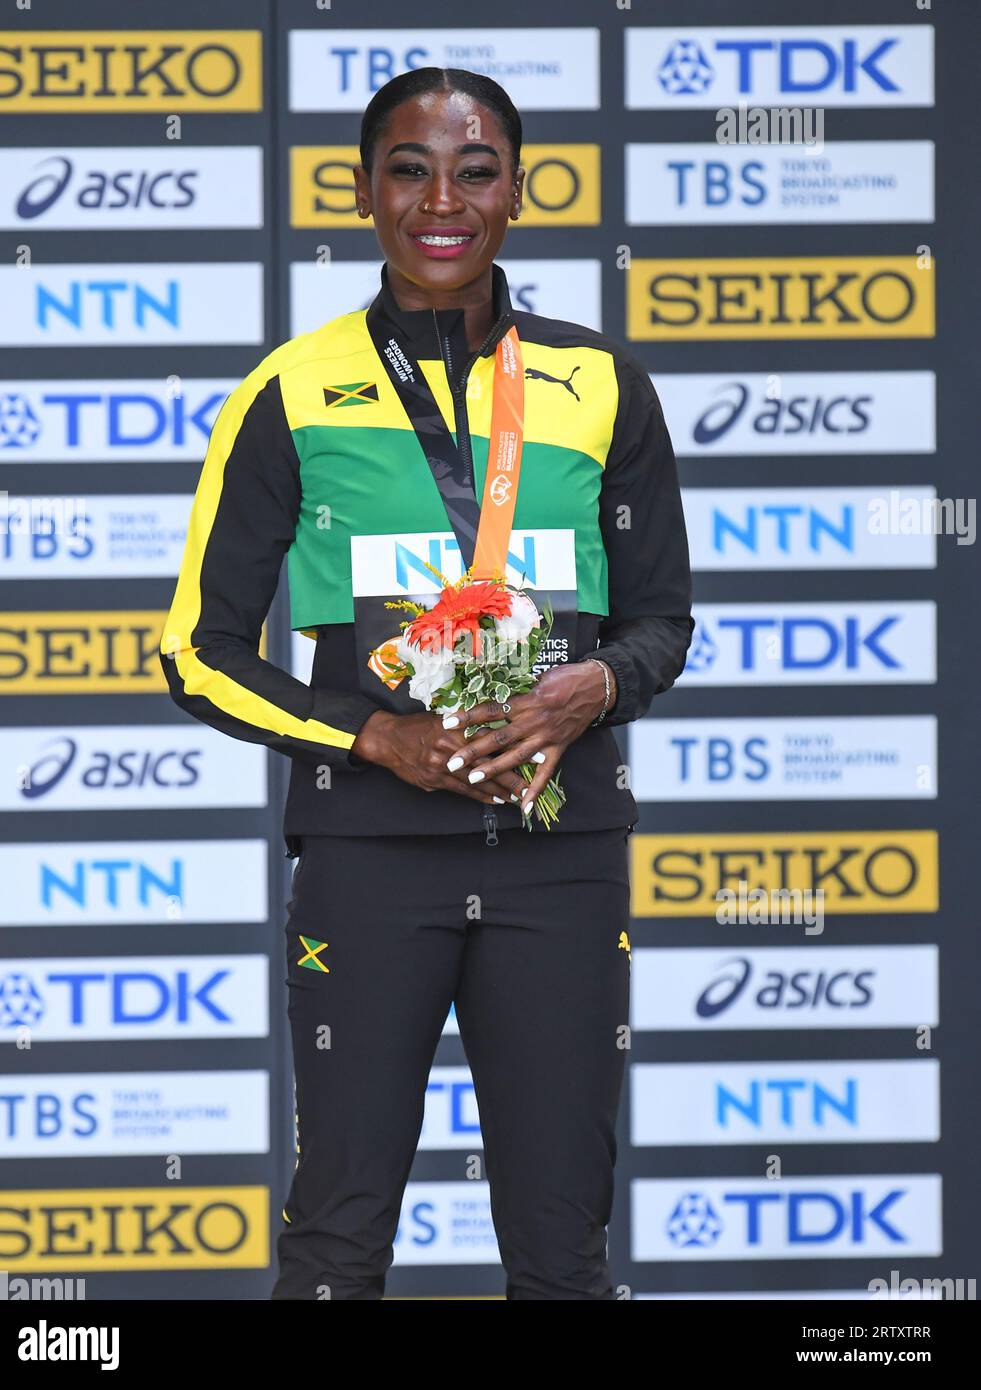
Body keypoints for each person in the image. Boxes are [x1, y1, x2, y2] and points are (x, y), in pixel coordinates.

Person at [160, 66, 693, 1300]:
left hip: (562, 858)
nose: (439, 198)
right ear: (360, 191)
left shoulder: (604, 380)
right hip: (367, 858)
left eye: (473, 168)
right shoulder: (289, 390)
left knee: (564, 1254)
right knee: (337, 1241)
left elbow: (662, 620)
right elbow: (198, 651)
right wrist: (373, 737)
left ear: (520, 190)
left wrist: (591, 689)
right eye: (407, 167)